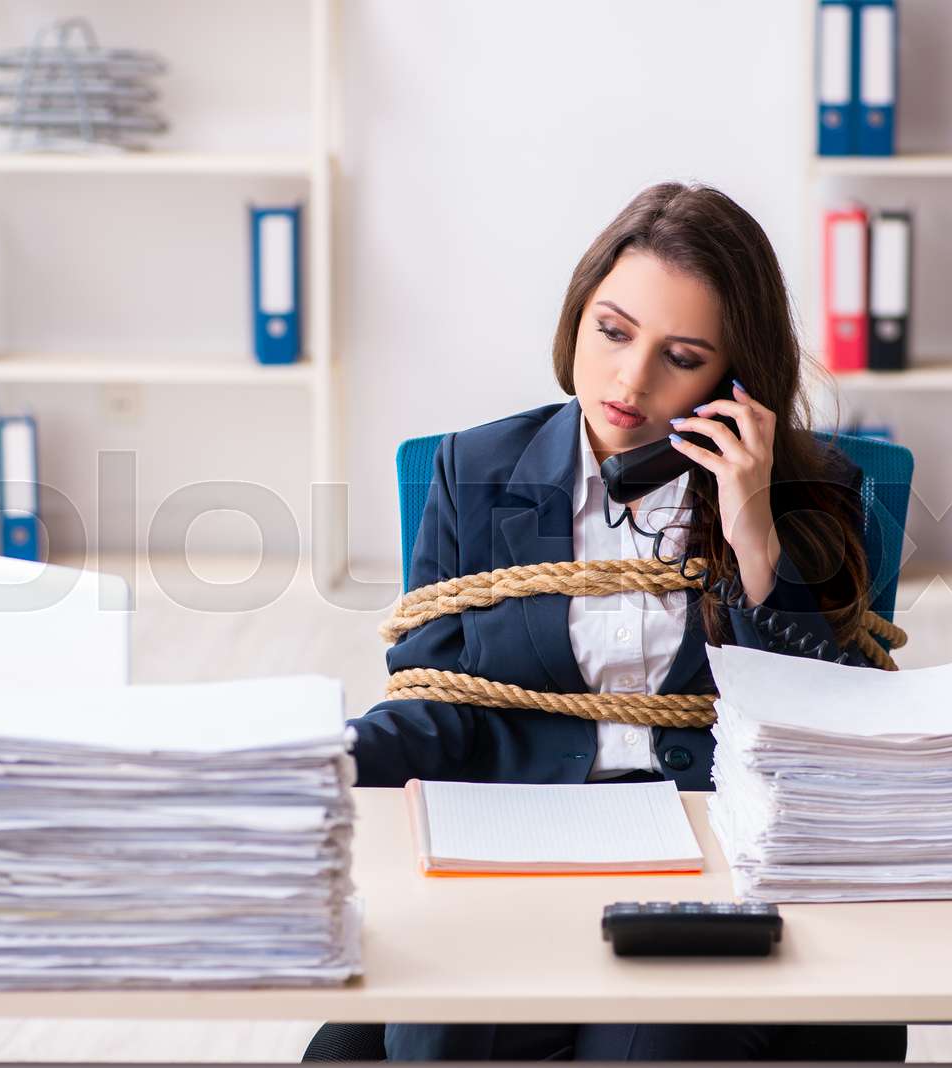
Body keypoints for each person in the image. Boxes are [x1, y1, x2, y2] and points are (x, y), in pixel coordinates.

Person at [343, 181, 906, 1062]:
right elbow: (438, 697)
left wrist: (752, 526)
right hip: (521, 834)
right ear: (578, 318)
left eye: (680, 355)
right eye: (612, 332)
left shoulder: (814, 491)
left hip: (709, 843)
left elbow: (828, 726)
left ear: (733, 374)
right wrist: (311, 758)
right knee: (440, 1034)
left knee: (651, 1045)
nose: (630, 379)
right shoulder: (474, 469)